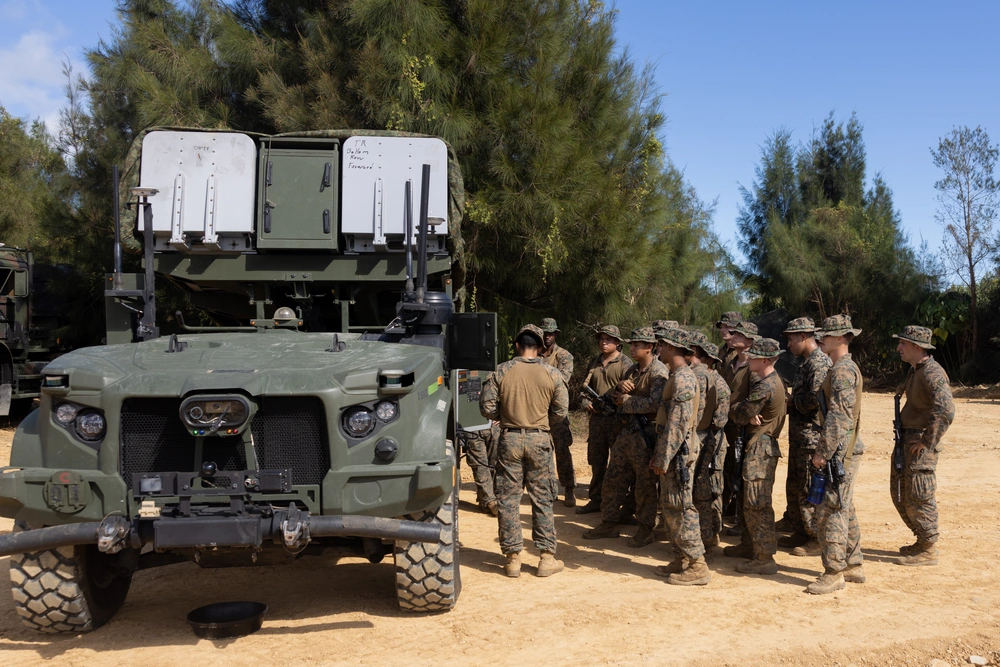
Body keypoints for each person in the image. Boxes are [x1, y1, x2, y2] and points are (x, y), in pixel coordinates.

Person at [480, 324, 570, 578]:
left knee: (508, 499)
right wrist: (541, 420)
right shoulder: (552, 373)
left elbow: (487, 408)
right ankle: (546, 558)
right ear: (540, 348)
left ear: (518, 345)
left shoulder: (501, 371)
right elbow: (561, 411)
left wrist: (506, 415)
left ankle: (512, 559)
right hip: (540, 439)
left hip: (509, 438)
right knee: (542, 499)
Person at [583, 327, 668, 548]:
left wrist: (628, 400)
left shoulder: (658, 373)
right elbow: (615, 397)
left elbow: (656, 405)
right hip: (627, 433)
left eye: (637, 344)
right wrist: (618, 388)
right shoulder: (631, 370)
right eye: (632, 344)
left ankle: (645, 528)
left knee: (645, 486)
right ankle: (609, 522)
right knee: (613, 479)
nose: (633, 348)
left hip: (646, 435)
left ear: (650, 347)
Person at [806, 314, 865, 595]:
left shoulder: (842, 370)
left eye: (827, 336)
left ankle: (834, 572)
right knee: (845, 506)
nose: (822, 340)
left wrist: (822, 453)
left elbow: (839, 417)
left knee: (831, 511)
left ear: (841, 338)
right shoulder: (839, 367)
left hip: (839, 450)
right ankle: (853, 564)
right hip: (844, 448)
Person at [891, 325, 955, 567]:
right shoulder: (916, 370)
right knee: (902, 494)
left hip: (919, 444)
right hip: (907, 441)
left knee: (919, 495)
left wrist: (928, 440)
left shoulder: (932, 373)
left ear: (917, 347)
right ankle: (922, 540)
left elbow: (946, 409)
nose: (899, 348)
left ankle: (928, 547)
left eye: (903, 344)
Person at [651, 328, 711, 585]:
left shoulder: (684, 379)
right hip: (672, 449)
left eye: (662, 345)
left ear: (673, 348)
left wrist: (663, 458)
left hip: (678, 452)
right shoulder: (676, 376)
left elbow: (678, 424)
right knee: (670, 507)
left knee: (681, 508)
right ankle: (681, 558)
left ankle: (698, 566)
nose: (658, 349)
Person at [726, 337, 787, 575]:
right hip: (758, 446)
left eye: (755, 356)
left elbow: (741, 413)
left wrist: (737, 409)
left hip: (760, 449)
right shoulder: (768, 381)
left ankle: (764, 557)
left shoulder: (765, 386)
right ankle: (750, 545)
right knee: (750, 500)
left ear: (768, 360)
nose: (750, 358)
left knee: (757, 503)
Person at [778, 318, 831, 556]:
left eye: (791, 339)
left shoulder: (818, 364)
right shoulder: (806, 363)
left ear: (803, 336)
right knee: (797, 484)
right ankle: (801, 529)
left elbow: (814, 400)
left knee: (810, 487)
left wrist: (791, 401)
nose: (788, 344)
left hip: (812, 436)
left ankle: (816, 537)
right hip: (801, 437)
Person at [577, 325, 632, 515]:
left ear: (618, 342)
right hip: (597, 420)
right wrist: (586, 403)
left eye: (608, 339)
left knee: (619, 465)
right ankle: (596, 500)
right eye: (601, 339)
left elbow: (632, 389)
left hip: (617, 420)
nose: (603, 342)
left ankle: (616, 504)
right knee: (597, 462)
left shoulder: (625, 363)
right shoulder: (594, 363)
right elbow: (584, 389)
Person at [687, 333, 731, 550]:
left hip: (711, 442)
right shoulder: (697, 377)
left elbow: (720, 420)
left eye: (693, 352)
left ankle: (710, 535)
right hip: (704, 440)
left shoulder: (717, 383)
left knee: (709, 490)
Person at [721, 321, 758, 528]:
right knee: (728, 469)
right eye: (733, 333)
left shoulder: (755, 365)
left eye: (739, 334)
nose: (733, 336)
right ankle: (730, 510)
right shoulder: (731, 363)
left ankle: (743, 520)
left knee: (743, 473)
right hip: (728, 425)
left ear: (751, 340)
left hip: (743, 427)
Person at [539, 318, 577, 507]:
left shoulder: (564, 356)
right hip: (538, 411)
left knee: (562, 450)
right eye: (545, 333)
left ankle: (569, 488)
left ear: (556, 334)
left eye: (551, 333)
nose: (547, 336)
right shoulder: (534, 354)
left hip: (557, 411)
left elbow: (561, 380)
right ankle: (549, 490)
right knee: (542, 451)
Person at [462, 422, 500, 515]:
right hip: (473, 425)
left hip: (495, 427)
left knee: (494, 464)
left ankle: (487, 499)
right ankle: (490, 501)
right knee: (480, 465)